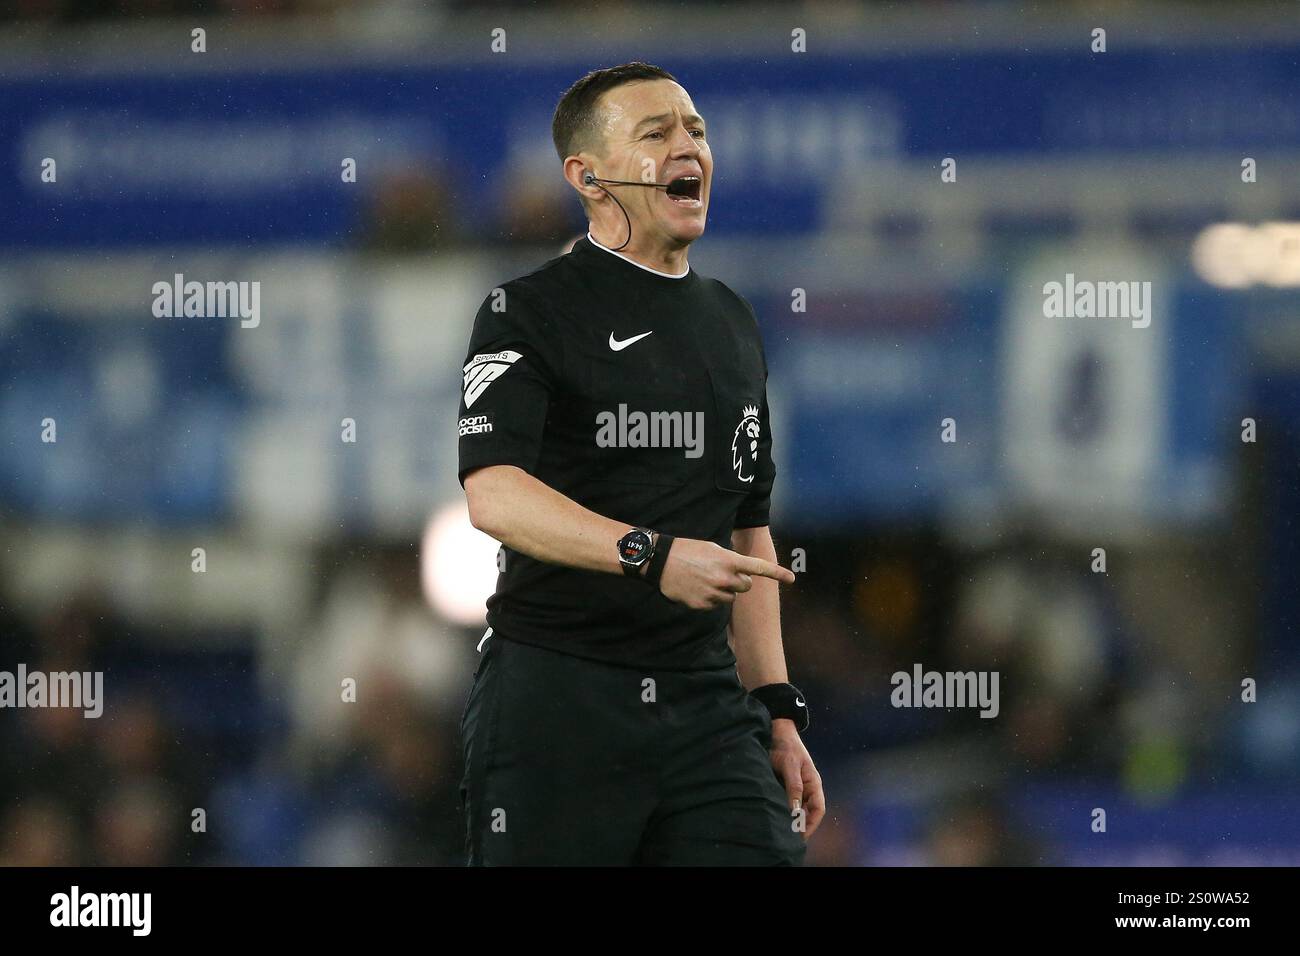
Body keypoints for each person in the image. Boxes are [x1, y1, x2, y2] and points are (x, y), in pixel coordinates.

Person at [455, 61, 824, 865]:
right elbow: (495, 495)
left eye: (694, 130)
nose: (685, 146)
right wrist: (649, 556)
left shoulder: (731, 320)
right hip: (557, 699)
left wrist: (777, 710)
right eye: (655, 133)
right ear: (588, 177)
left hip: (706, 710)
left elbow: (746, 532)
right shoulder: (530, 310)